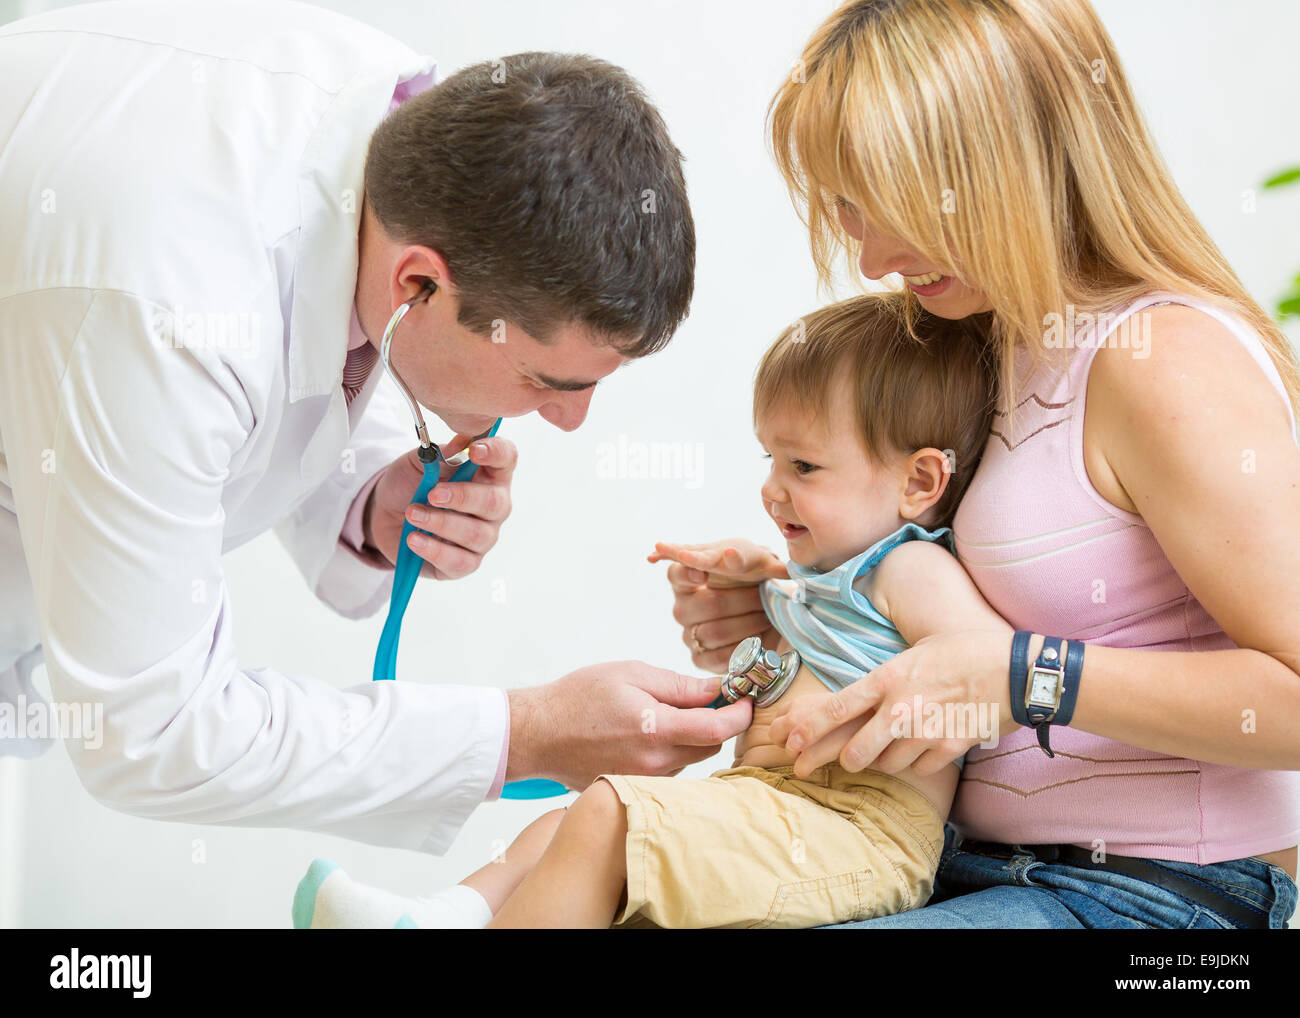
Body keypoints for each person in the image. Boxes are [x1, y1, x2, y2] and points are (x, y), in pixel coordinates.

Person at [0, 0, 752, 856]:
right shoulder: (164, 305)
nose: (572, 421)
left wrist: (367, 498)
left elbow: (305, 323)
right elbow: (153, 733)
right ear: (418, 288)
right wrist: (522, 734)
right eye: (550, 381)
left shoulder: (402, 123)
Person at [671, 0, 1300, 929]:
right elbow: (923, 629)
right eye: (848, 205)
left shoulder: (1160, 358)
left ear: (1008, 163)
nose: (870, 253)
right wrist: (788, 623)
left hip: (1161, 904)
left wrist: (1023, 675)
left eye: (894, 200)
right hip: (956, 865)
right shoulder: (981, 349)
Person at [293, 291, 1007, 928]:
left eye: (804, 467)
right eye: (769, 461)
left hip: (859, 831)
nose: (772, 490)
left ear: (920, 481)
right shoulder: (816, 581)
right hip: (773, 805)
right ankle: (443, 915)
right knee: (566, 826)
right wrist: (760, 603)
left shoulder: (913, 570)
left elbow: (994, 679)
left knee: (609, 816)